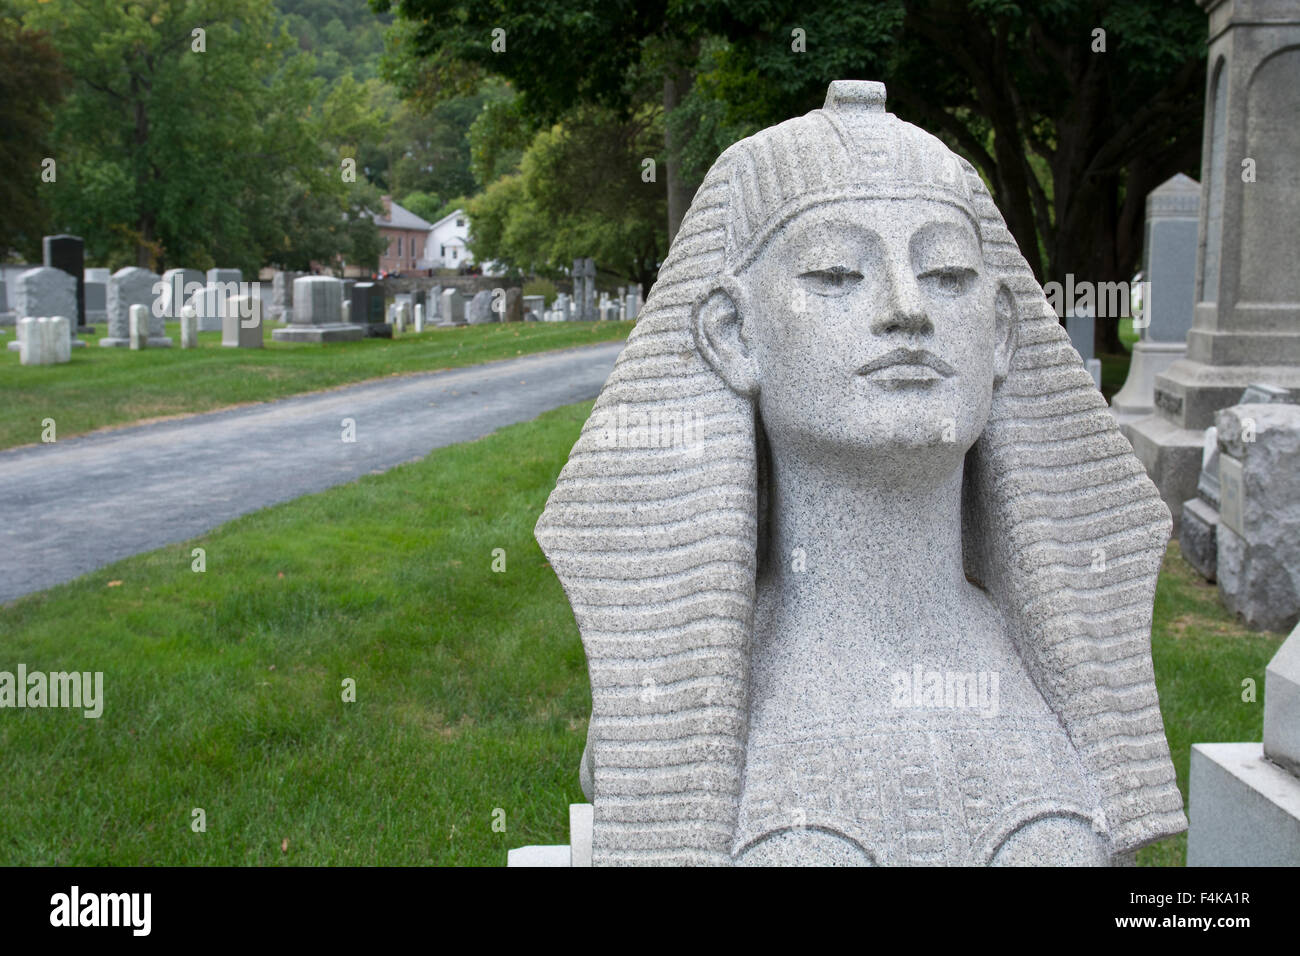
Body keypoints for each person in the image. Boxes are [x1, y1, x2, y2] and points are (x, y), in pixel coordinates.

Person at [536, 81, 1185, 866]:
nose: (908, 308)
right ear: (732, 334)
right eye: (838, 274)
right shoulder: (674, 711)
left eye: (947, 273)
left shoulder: (1058, 679)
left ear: (1005, 333)